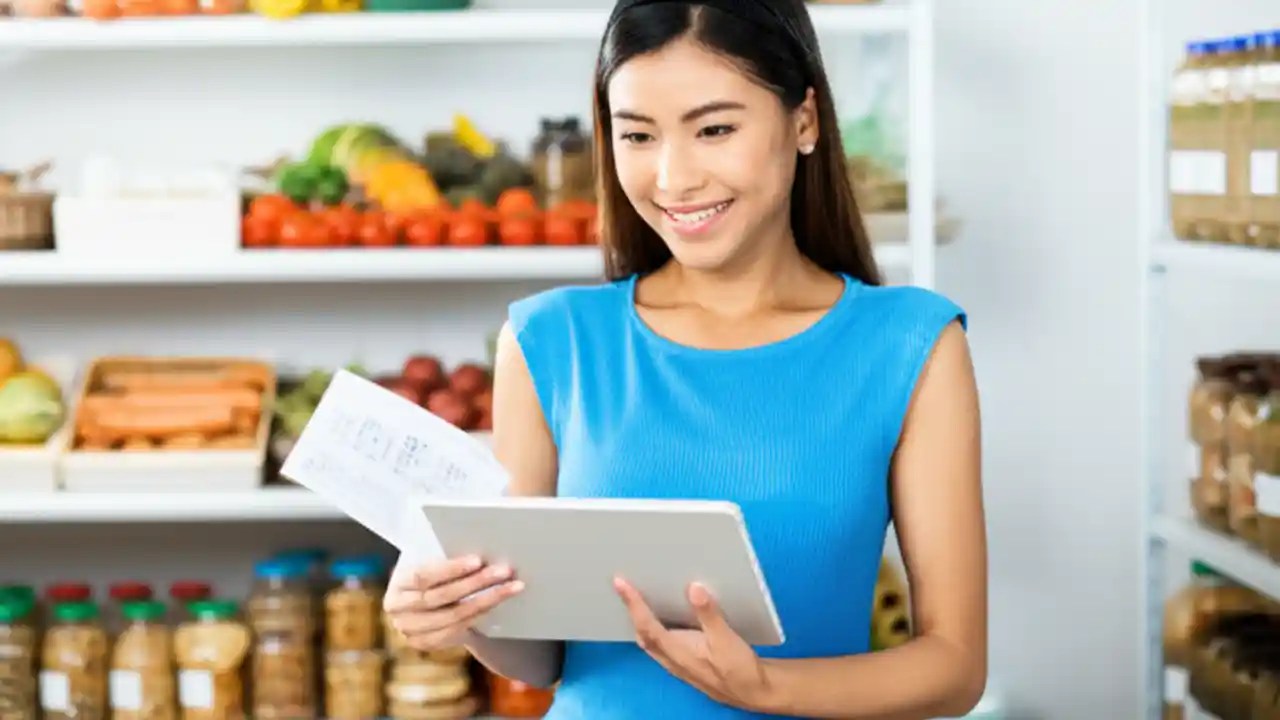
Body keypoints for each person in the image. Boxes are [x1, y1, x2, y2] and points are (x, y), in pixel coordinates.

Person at [383, 0, 987, 717]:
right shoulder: (550, 342)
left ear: (804, 121)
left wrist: (768, 689)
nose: (673, 178)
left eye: (715, 129)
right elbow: (543, 657)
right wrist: (462, 614)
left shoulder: (910, 346)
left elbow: (954, 665)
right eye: (638, 135)